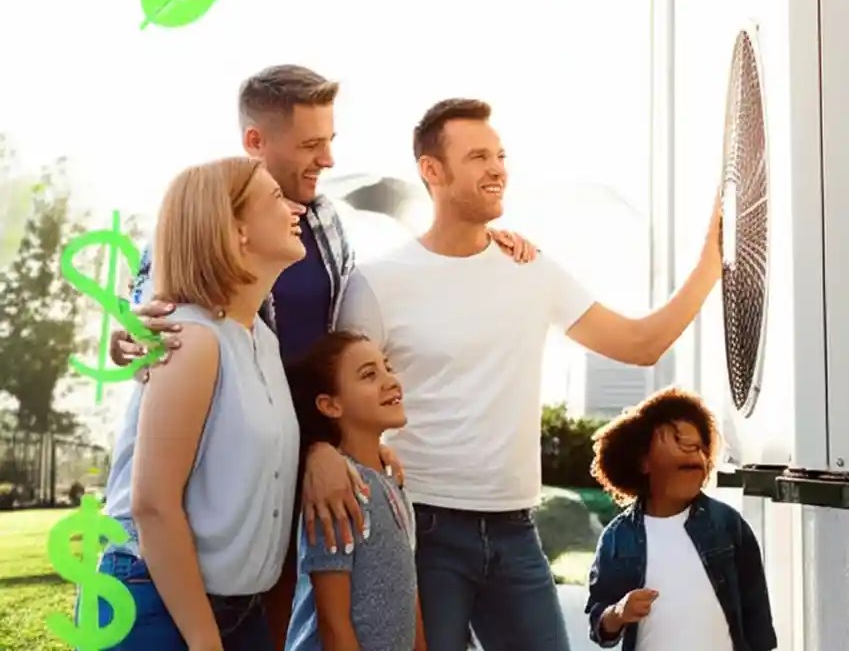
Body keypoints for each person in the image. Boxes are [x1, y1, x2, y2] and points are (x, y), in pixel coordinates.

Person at [106, 65, 537, 646]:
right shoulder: (201, 256)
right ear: (256, 142)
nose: (328, 158)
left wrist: (485, 245)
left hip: (281, 472)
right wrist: (131, 339)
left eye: (331, 139)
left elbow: (348, 334)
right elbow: (155, 331)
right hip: (210, 504)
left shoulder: (326, 225)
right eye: (312, 144)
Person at [336, 97, 724, 650]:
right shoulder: (377, 281)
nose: (496, 168)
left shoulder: (531, 270)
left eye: (499, 154)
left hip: (516, 528)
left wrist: (712, 260)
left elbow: (641, 344)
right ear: (432, 171)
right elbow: (348, 408)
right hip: (422, 528)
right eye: (477, 157)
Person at [87, 157, 305, 649]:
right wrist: (205, 640)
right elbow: (152, 505)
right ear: (236, 230)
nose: (293, 209)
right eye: (275, 198)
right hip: (150, 599)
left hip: (234, 606)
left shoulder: (261, 341)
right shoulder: (193, 338)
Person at [583, 387, 776, 651]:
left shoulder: (727, 524)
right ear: (643, 462)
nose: (694, 456)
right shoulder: (618, 539)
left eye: (699, 448)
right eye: (679, 442)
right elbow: (600, 625)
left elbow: (757, 617)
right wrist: (619, 612)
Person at [283, 331, 427, 651]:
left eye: (387, 367)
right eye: (369, 375)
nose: (390, 380)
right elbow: (333, 624)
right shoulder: (336, 491)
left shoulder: (394, 484)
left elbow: (409, 592)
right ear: (330, 405)